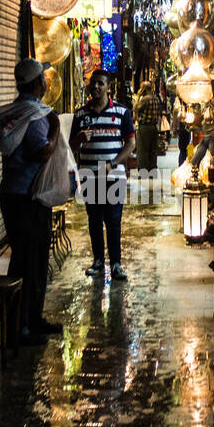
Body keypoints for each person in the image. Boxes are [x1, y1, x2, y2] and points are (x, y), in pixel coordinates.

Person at [0, 59, 64, 342]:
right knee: (29, 262)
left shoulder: (16, 111)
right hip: (27, 199)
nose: (47, 82)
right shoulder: (35, 115)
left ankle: (31, 320)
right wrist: (56, 127)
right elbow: (43, 152)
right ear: (39, 83)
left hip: (16, 194)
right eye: (44, 78)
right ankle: (21, 327)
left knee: (31, 260)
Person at [71, 69, 135, 281]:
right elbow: (71, 148)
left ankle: (116, 263)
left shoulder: (121, 112)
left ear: (109, 87)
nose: (95, 87)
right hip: (89, 176)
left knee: (114, 220)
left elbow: (130, 143)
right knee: (94, 220)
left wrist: (113, 164)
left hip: (114, 177)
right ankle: (98, 261)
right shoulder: (80, 115)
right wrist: (78, 139)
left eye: (100, 84)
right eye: (93, 83)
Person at [133, 79, 164, 171]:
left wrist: (138, 96)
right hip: (154, 127)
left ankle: (143, 172)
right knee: (152, 150)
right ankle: (152, 170)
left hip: (144, 127)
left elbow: (136, 108)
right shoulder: (156, 99)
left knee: (142, 150)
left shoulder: (145, 99)